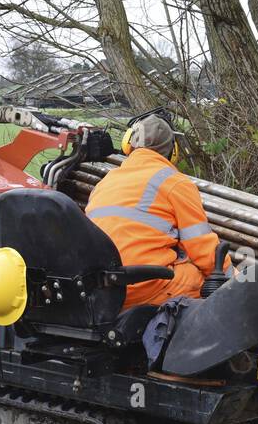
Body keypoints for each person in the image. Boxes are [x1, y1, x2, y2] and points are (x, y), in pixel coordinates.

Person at [86, 114, 230, 309]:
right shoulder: (174, 183)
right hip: (144, 286)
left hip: (100, 288)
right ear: (173, 152)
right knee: (203, 280)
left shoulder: (104, 183)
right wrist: (234, 280)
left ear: (129, 145)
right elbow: (202, 248)